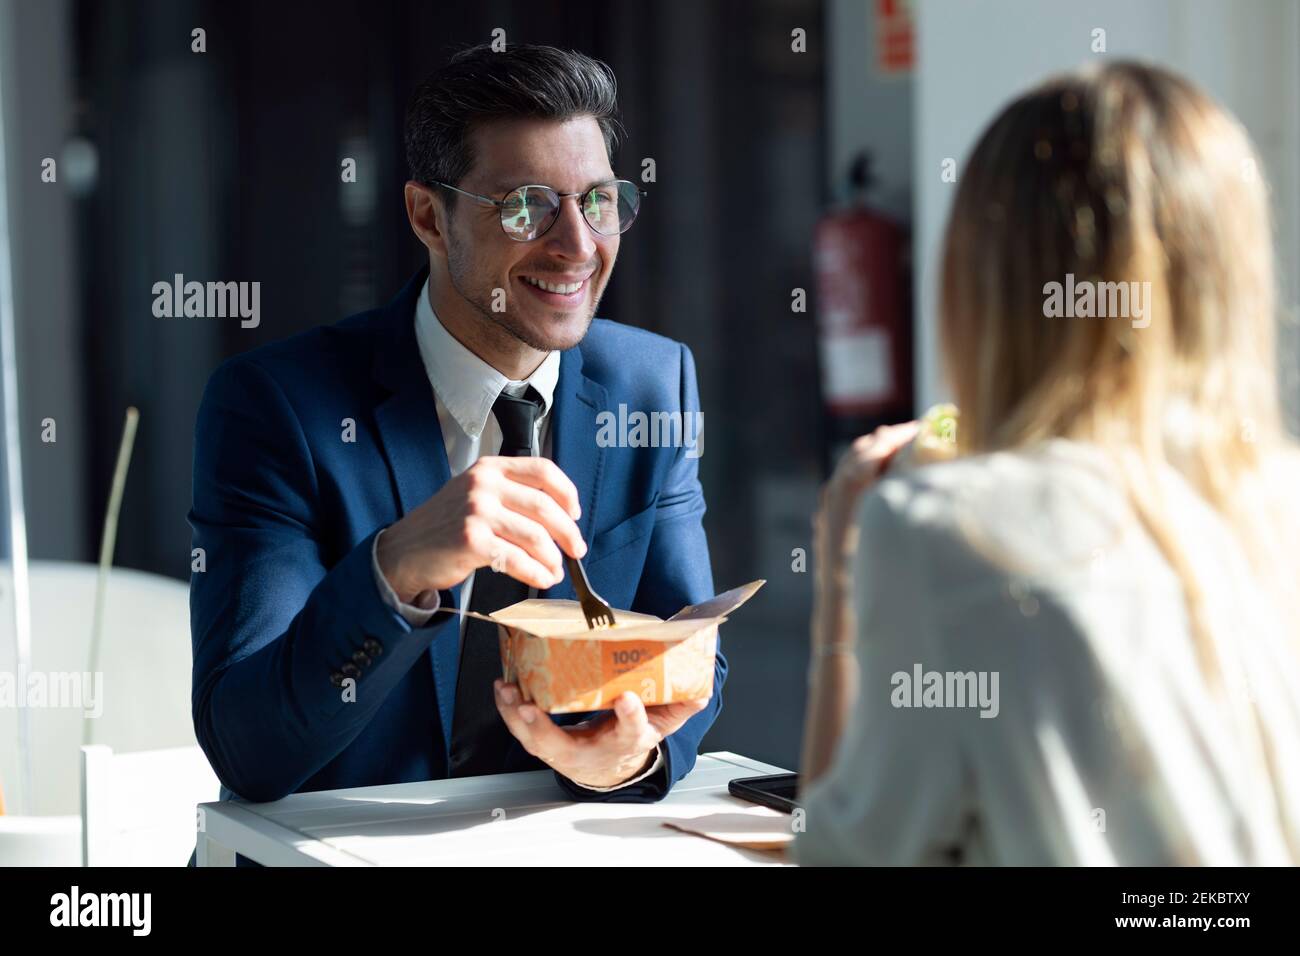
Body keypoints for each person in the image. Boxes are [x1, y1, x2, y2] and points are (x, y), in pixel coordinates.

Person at [188, 45, 722, 862]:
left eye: (599, 201)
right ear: (428, 217)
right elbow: (252, 749)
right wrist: (396, 566)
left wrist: (626, 758)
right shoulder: (277, 407)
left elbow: (690, 649)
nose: (577, 245)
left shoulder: (651, 384)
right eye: (526, 207)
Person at [793, 61, 1300, 865]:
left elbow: (843, 857)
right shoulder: (1276, 504)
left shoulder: (949, 530)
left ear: (978, 282)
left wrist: (839, 587)